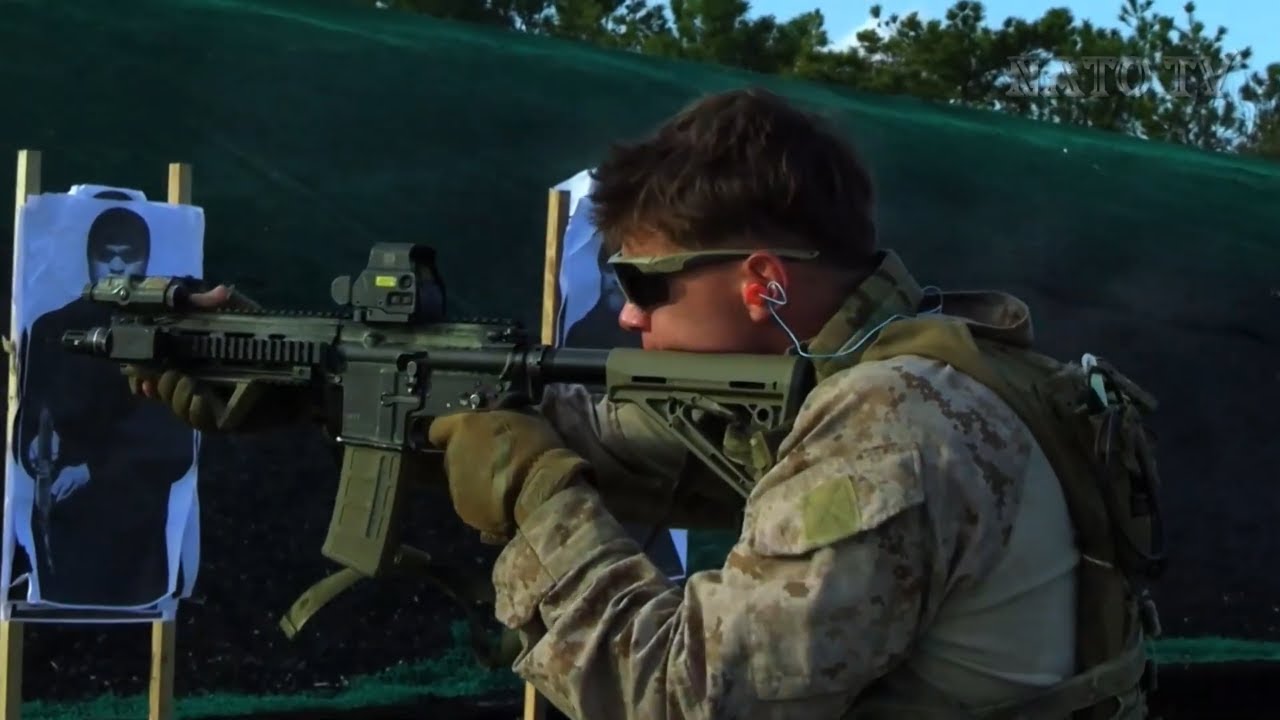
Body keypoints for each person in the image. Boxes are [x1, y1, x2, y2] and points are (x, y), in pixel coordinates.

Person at [132, 88, 1163, 719]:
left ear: (761, 278)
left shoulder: (894, 423)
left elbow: (682, 693)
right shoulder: (906, 371)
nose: (625, 320)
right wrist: (332, 395)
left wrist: (537, 499)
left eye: (642, 286)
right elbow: (645, 443)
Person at [11, 193, 196, 606]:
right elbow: (29, 410)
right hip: (60, 524)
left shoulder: (170, 334)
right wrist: (35, 445)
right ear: (89, 257)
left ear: (145, 260)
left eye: (127, 256)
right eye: (105, 254)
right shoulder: (50, 328)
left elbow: (171, 441)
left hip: (135, 527)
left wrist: (93, 469)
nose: (115, 266)